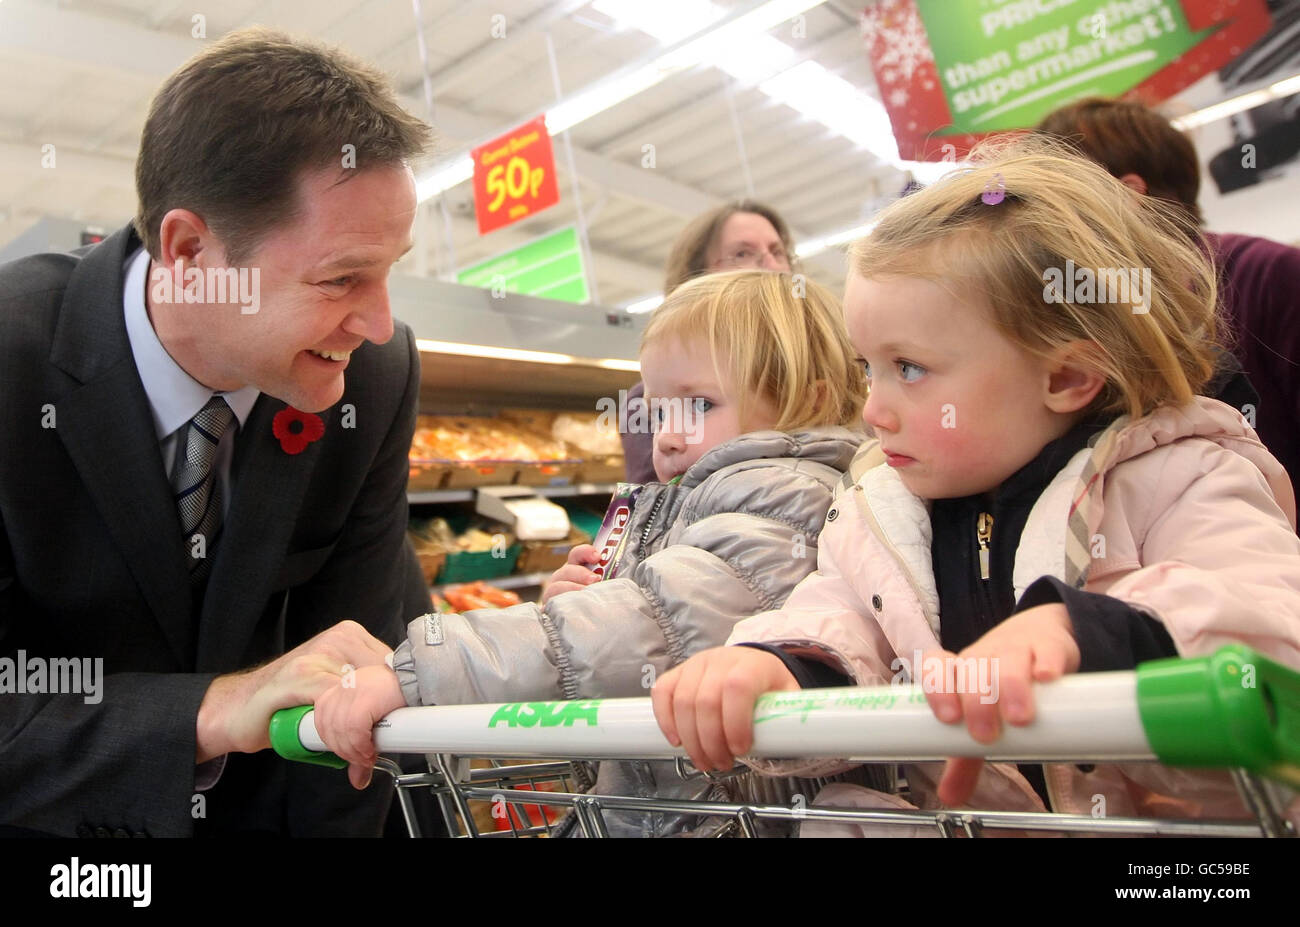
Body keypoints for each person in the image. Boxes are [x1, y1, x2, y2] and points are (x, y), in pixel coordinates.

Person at [650, 141, 1300, 831]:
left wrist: (1085, 630)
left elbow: (1271, 623)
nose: (873, 409)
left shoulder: (1183, 476)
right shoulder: (884, 514)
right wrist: (777, 665)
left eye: (910, 368)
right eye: (869, 367)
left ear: (1066, 377)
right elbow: (837, 615)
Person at [0, 28, 435, 837]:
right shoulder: (12, 364)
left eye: (390, 270)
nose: (379, 323)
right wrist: (214, 707)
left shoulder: (372, 383)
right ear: (191, 249)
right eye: (342, 278)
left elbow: (358, 695)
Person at [311, 270, 875, 836]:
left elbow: (646, 625)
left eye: (700, 405)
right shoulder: (703, 503)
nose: (668, 436)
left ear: (810, 399)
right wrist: (586, 599)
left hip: (729, 817)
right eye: (657, 412)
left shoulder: (785, 502)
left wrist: (418, 672)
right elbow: (642, 627)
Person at [1036, 96, 1300, 502]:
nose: (1032, 225)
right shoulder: (1078, 305)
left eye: (1053, 201)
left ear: (1127, 196)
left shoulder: (1269, 274)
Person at [620, 201, 798, 483]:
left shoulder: (813, 372)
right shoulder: (644, 401)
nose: (771, 264)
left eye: (777, 251)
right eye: (742, 253)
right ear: (695, 278)